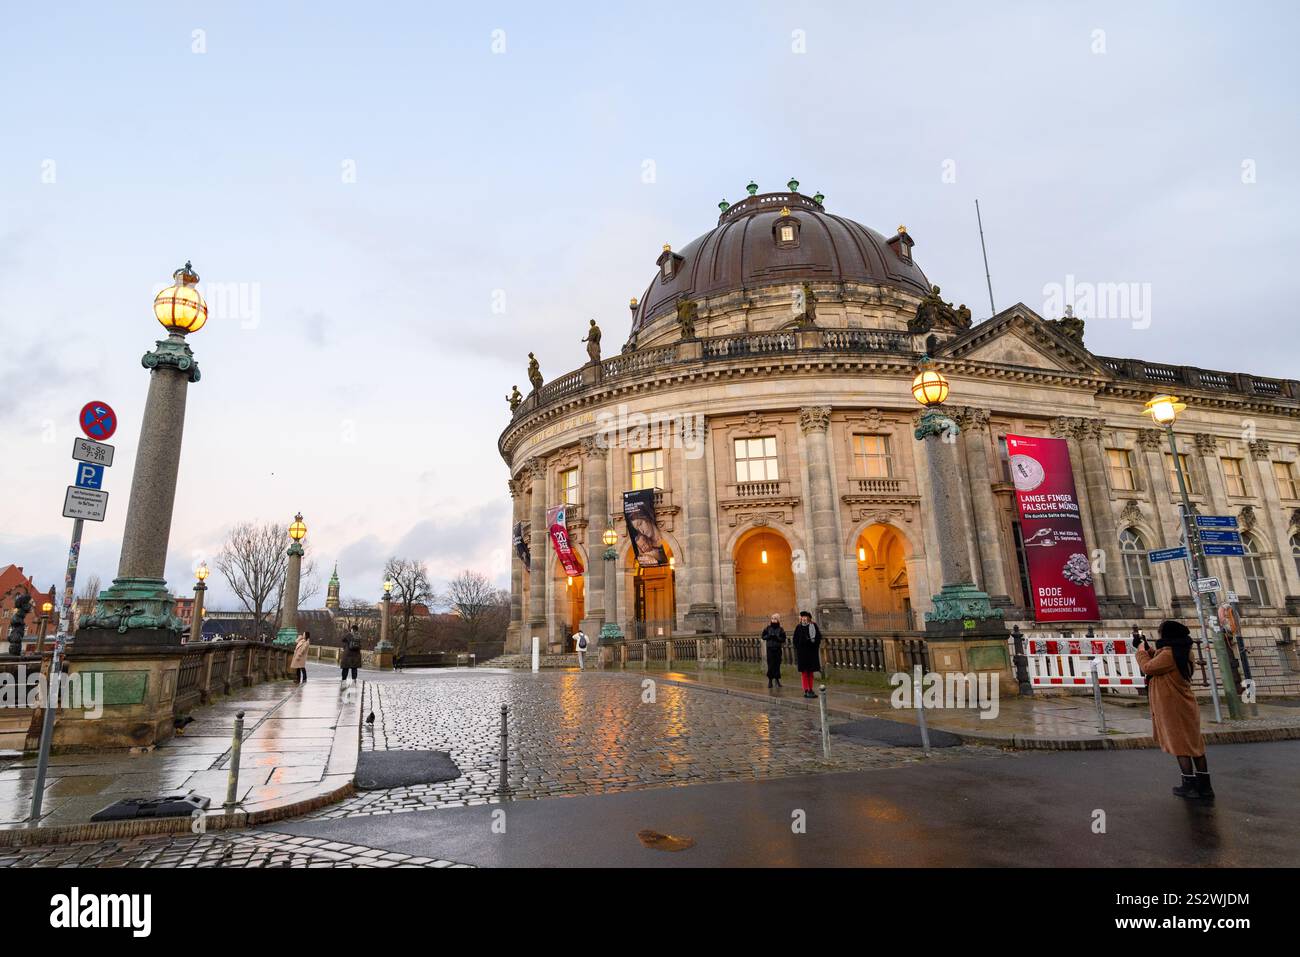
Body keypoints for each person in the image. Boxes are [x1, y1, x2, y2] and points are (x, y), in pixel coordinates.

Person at [1134, 620, 1213, 801]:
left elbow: (1148, 667)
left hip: (1172, 706)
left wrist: (1140, 652)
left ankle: (1189, 785)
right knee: (1195, 746)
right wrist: (1148, 649)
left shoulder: (1169, 654)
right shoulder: (1183, 652)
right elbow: (1160, 659)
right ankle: (1205, 785)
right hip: (1186, 705)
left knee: (1180, 745)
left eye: (1161, 633)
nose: (1160, 635)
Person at [791, 611, 824, 699]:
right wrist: (799, 646)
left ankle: (811, 689)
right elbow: (795, 640)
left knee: (811, 672)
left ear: (809, 618)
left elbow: (818, 637)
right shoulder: (798, 627)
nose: (804, 618)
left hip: (811, 652)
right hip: (802, 653)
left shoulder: (813, 626)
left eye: (805, 617)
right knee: (805, 672)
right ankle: (806, 689)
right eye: (802, 617)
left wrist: (813, 643)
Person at [761, 614, 787, 689]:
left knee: (777, 665)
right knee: (770, 665)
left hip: (777, 649)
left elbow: (783, 639)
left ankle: (777, 680)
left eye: (775, 618)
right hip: (770, 649)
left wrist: (777, 638)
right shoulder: (767, 628)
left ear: (778, 620)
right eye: (772, 618)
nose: (773, 620)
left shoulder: (781, 629)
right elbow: (763, 636)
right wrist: (769, 636)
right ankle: (770, 681)